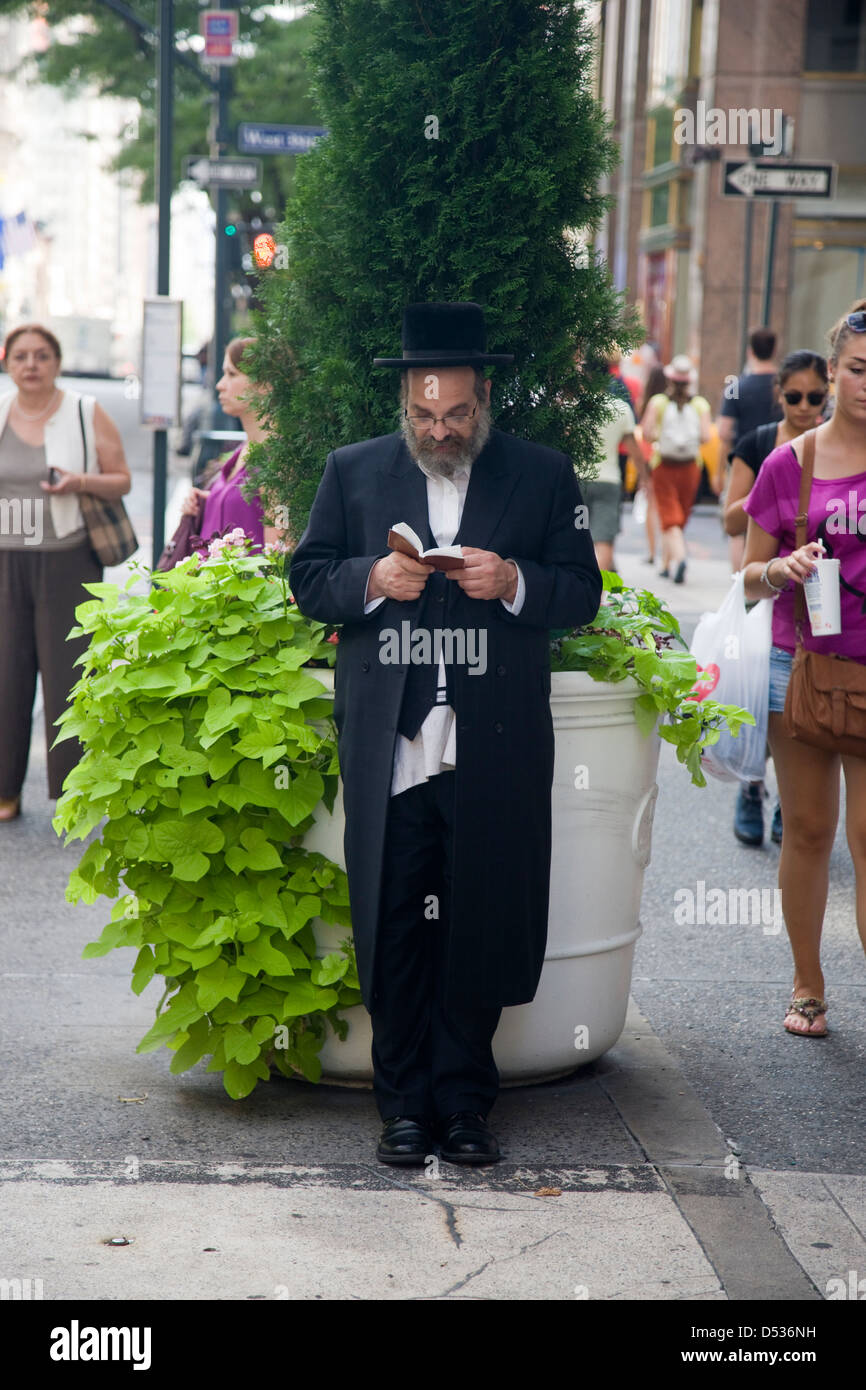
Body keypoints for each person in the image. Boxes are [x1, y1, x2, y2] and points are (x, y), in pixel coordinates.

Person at [290, 302, 602, 1164]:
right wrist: (371, 577)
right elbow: (308, 577)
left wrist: (511, 580)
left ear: (484, 398)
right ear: (404, 404)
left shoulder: (541, 476)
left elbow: (580, 590)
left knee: (481, 912)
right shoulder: (352, 471)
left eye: (456, 414)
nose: (440, 428)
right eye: (424, 416)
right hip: (390, 741)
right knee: (393, 918)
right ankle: (402, 1106)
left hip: (490, 739)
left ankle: (466, 1103)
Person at [741, 299, 866, 1037]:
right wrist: (780, 569)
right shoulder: (794, 461)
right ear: (832, 371)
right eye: (856, 371)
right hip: (802, 666)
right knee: (810, 832)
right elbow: (747, 576)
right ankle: (808, 984)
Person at [0, 323, 131, 822]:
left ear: (56, 362)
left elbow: (121, 479)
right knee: (6, 676)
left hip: (68, 556)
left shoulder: (83, 410)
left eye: (41, 355)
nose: (30, 364)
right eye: (20, 357)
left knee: (69, 677)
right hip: (5, 557)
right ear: (8, 364)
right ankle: (5, 793)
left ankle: (74, 794)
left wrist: (80, 481)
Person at [724, 350, 829, 850]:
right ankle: (753, 788)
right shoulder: (760, 445)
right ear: (779, 395)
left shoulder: (841, 450)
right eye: (794, 397)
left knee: (806, 711)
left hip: (826, 608)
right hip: (766, 596)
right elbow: (728, 520)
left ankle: (791, 800)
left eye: (815, 397)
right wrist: (775, 487)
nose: (805, 406)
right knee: (762, 699)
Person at [180, 337, 283, 548]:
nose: (220, 385)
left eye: (231, 374)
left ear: (264, 384)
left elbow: (278, 557)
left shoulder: (278, 462)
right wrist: (208, 501)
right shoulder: (244, 450)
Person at [640, 354, 712, 583]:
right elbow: (705, 436)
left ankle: (678, 559)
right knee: (680, 516)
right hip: (691, 467)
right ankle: (666, 564)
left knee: (669, 517)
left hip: (663, 466)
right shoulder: (700, 404)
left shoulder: (658, 402)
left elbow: (646, 432)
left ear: (670, 379)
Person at [582, 369, 645, 573]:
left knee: (576, 536)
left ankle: (580, 592)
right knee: (604, 540)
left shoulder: (573, 407)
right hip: (609, 480)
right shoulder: (621, 408)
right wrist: (644, 479)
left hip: (576, 479)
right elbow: (633, 448)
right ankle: (598, 595)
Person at [716, 325, 784, 453]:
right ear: (774, 350)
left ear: (750, 351)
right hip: (779, 455)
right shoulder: (785, 386)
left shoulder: (734, 387)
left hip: (744, 458)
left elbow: (723, 431)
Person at [636, 365, 667, 565]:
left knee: (652, 506)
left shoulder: (649, 402)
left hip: (650, 458)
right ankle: (667, 556)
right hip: (668, 458)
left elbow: (645, 432)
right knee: (666, 507)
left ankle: (651, 551)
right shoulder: (670, 401)